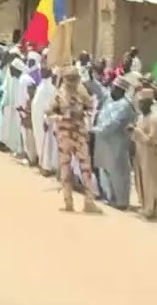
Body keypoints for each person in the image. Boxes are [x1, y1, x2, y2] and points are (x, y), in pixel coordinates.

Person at [46, 66, 102, 213]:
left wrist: (83, 115)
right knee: (65, 168)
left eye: (74, 79)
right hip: (64, 135)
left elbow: (90, 108)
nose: (72, 82)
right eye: (69, 79)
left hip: (79, 135)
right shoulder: (59, 94)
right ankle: (68, 201)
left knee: (86, 168)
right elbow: (49, 113)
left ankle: (89, 202)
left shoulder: (82, 92)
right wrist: (62, 117)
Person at [91, 74, 138, 209]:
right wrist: (89, 76)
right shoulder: (108, 98)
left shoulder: (125, 106)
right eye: (112, 87)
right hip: (103, 142)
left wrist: (94, 130)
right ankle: (110, 197)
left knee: (117, 173)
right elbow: (98, 89)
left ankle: (121, 201)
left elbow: (113, 124)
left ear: (121, 90)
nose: (111, 89)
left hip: (116, 144)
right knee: (104, 170)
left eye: (114, 88)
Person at [132, 87, 157, 220]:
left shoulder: (153, 119)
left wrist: (137, 132)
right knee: (141, 180)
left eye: (142, 102)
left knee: (151, 182)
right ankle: (145, 206)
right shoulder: (141, 117)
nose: (140, 105)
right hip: (140, 152)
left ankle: (151, 209)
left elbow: (152, 140)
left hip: (151, 154)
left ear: (149, 103)